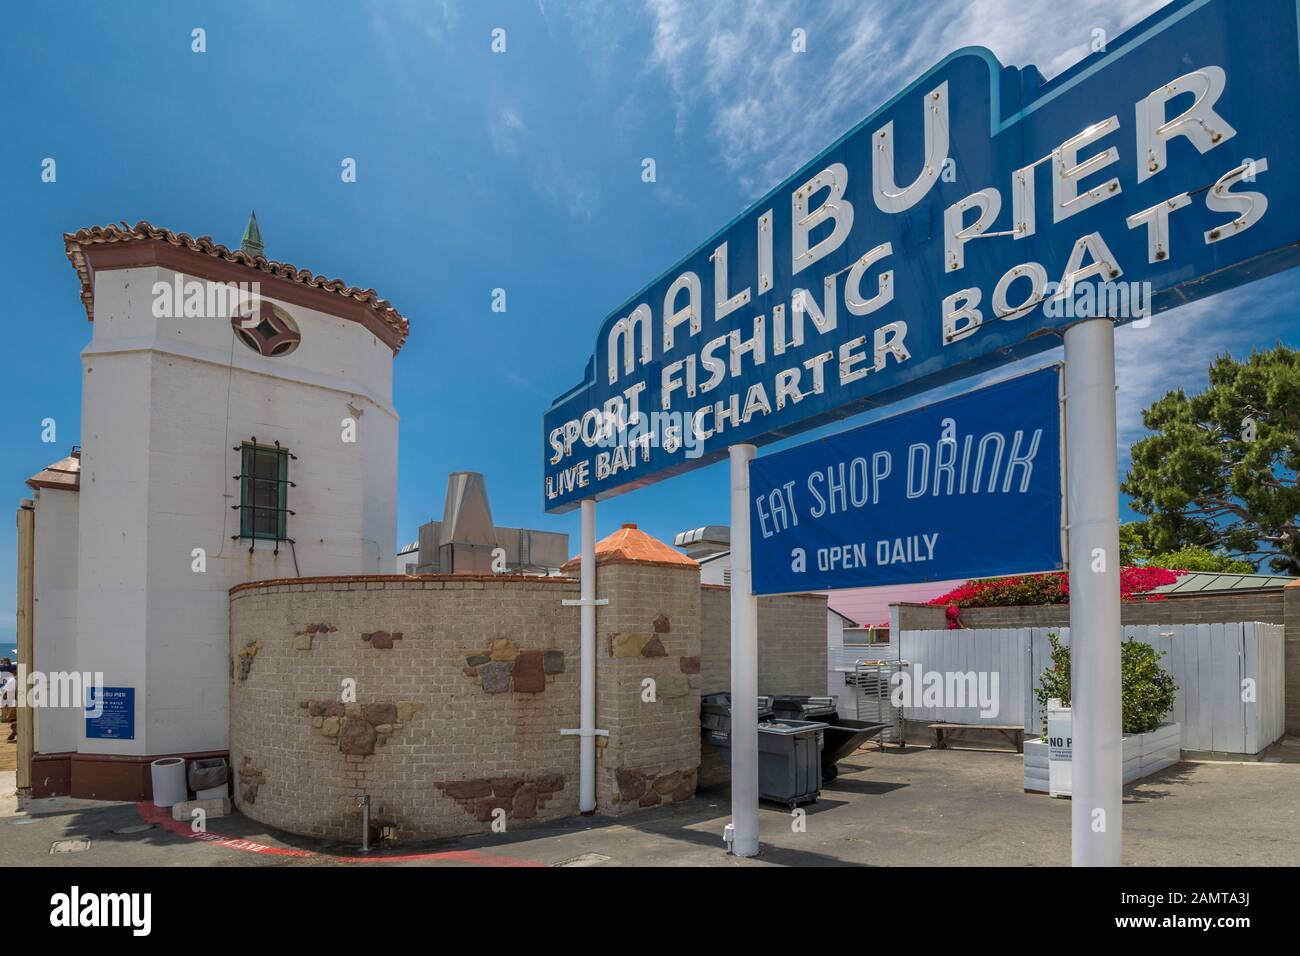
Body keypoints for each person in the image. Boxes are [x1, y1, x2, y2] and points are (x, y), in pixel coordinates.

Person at [1, 669, 16, 742]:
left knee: (12, 718)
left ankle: (15, 729)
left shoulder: (11, 680)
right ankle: (15, 730)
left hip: (15, 703)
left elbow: (9, 694)